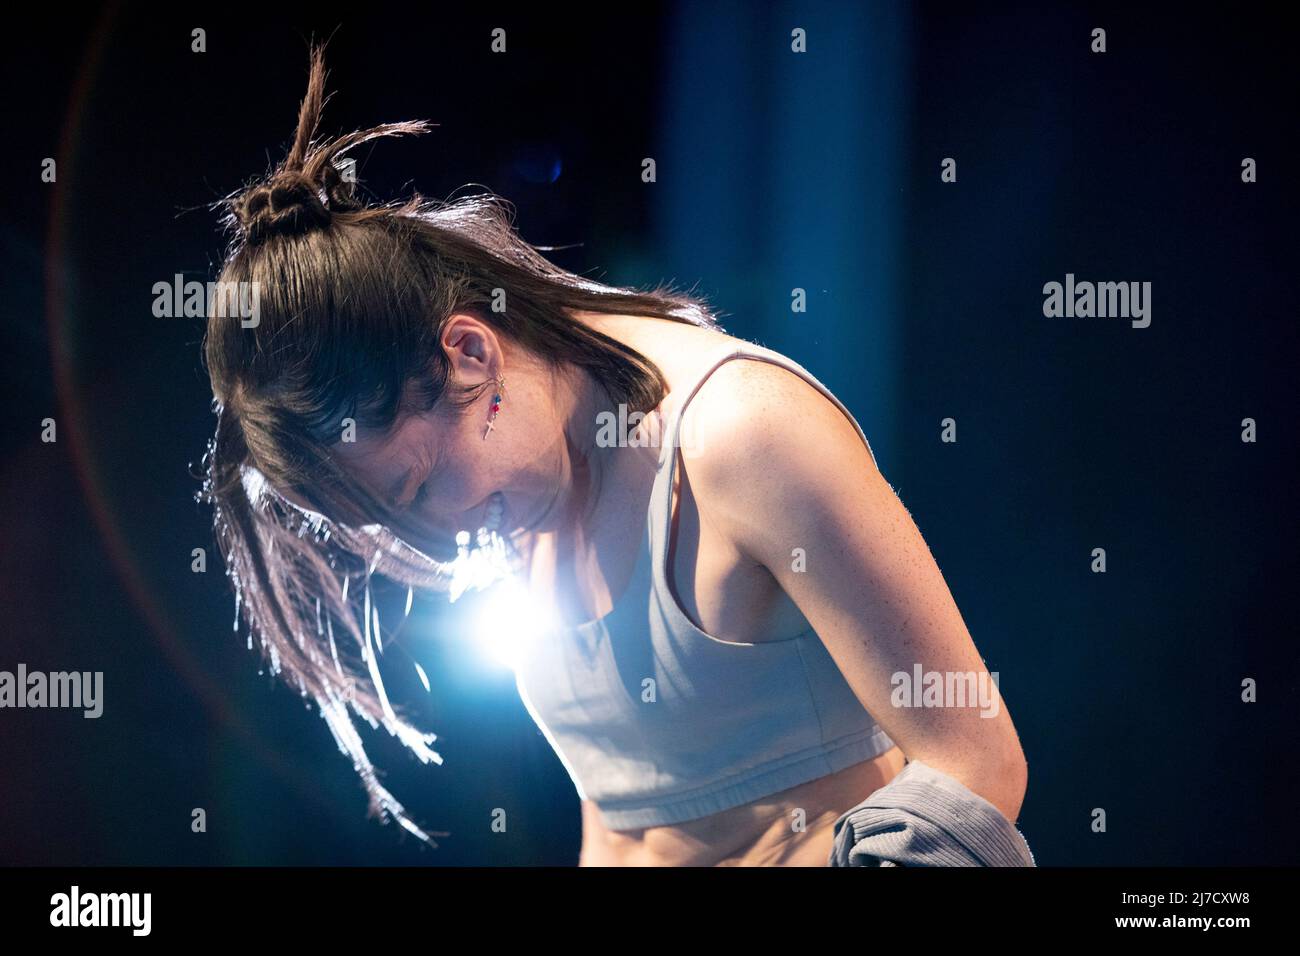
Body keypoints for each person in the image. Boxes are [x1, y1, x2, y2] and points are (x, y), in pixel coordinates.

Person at [199, 45, 1028, 866]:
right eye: (390, 513)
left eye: (418, 486)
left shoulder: (744, 435)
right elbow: (621, 822)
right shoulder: (518, 494)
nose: (437, 536)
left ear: (471, 354)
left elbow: (978, 765)